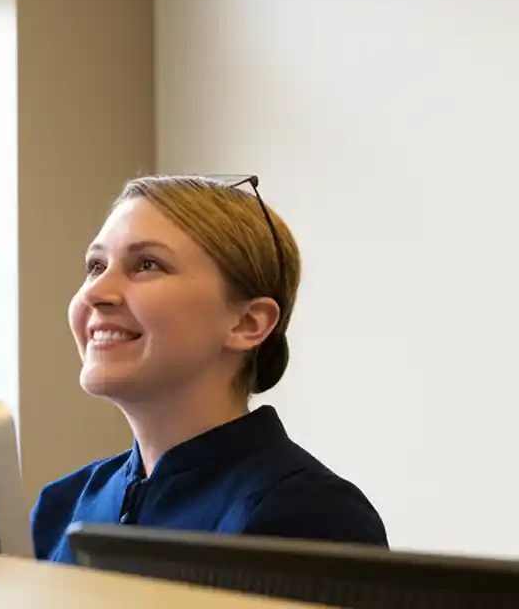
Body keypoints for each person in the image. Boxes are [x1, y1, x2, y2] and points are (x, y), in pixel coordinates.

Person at [31, 174, 387, 564]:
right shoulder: (61, 506)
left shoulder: (313, 517)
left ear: (247, 323)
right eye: (96, 266)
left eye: (146, 264)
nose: (95, 293)